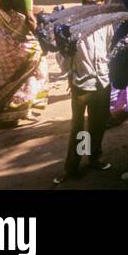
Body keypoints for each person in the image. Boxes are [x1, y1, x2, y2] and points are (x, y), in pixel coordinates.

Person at [54, 10, 113, 183]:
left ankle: (94, 157)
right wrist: (71, 74)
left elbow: (109, 47)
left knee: (98, 122)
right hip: (82, 83)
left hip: (102, 80)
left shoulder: (105, 23)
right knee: (79, 127)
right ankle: (72, 166)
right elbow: (62, 54)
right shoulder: (73, 27)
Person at [0, 0, 49, 125]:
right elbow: (30, 19)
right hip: (23, 42)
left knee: (10, 77)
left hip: (5, 42)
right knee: (36, 71)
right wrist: (39, 30)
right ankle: (25, 108)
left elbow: (8, 15)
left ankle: (7, 112)